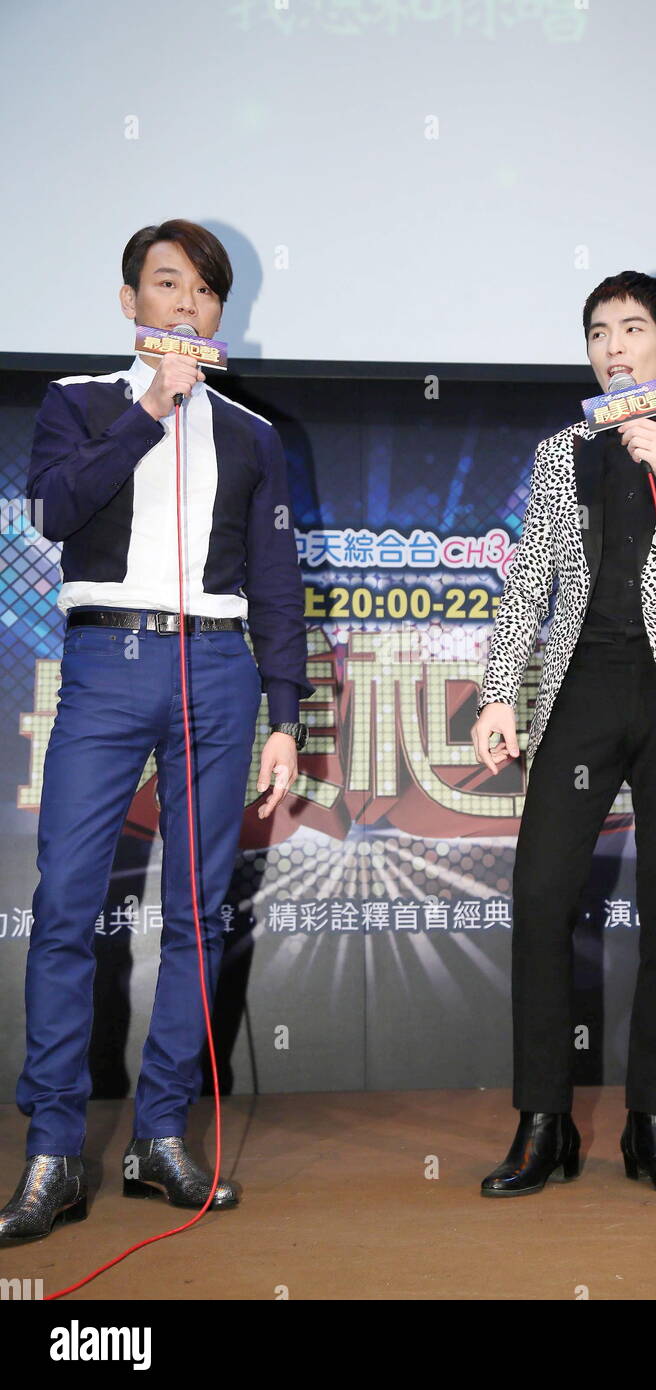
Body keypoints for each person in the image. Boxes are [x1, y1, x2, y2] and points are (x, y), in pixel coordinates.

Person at [0, 219, 314, 1244]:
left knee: (196, 913)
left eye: (205, 291)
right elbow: (53, 509)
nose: (187, 304)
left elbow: (275, 584)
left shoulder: (255, 436)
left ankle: (161, 1134)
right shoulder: (78, 403)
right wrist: (151, 410)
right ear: (129, 299)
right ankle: (53, 1147)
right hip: (102, 663)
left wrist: (282, 715)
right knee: (66, 906)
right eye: (167, 284)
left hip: (217, 670)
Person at [472, 271, 656, 1199]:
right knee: (541, 895)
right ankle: (543, 1122)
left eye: (632, 330)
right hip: (584, 685)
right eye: (599, 332)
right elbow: (531, 586)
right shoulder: (562, 449)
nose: (614, 347)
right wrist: (499, 694)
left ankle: (653, 1126)